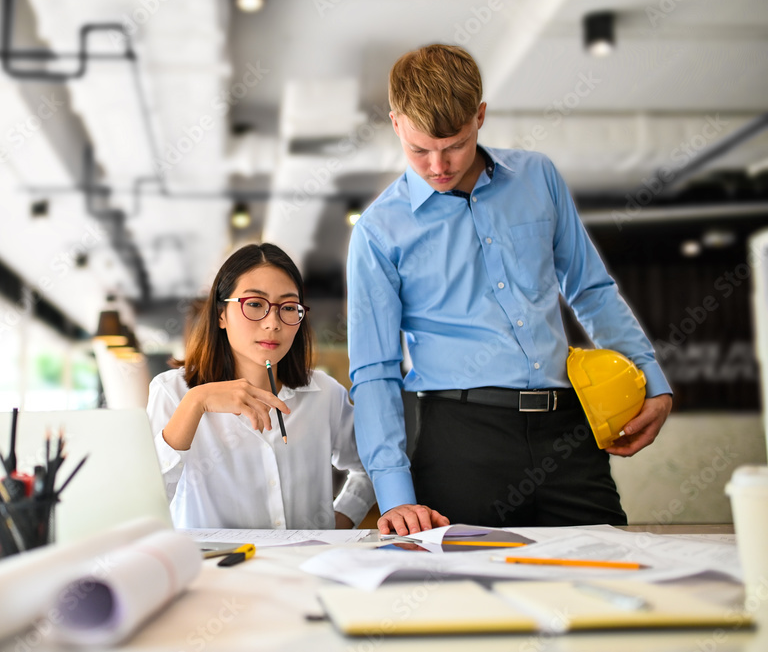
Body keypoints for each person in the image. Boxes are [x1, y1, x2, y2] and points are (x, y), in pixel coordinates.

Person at [347, 44, 673, 536]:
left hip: (567, 430)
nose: (438, 165)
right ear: (396, 125)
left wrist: (651, 377)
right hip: (459, 438)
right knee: (467, 600)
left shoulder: (538, 177)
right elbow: (375, 371)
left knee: (606, 572)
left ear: (480, 117)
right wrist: (394, 495)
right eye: (419, 150)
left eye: (453, 145)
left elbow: (590, 288)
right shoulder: (379, 231)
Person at [148, 243, 376, 529]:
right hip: (217, 569)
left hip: (302, 569)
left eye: (289, 307)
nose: (272, 323)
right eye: (255, 304)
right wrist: (197, 402)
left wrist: (339, 521)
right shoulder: (173, 392)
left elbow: (371, 467)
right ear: (221, 314)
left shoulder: (325, 393)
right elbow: (147, 503)